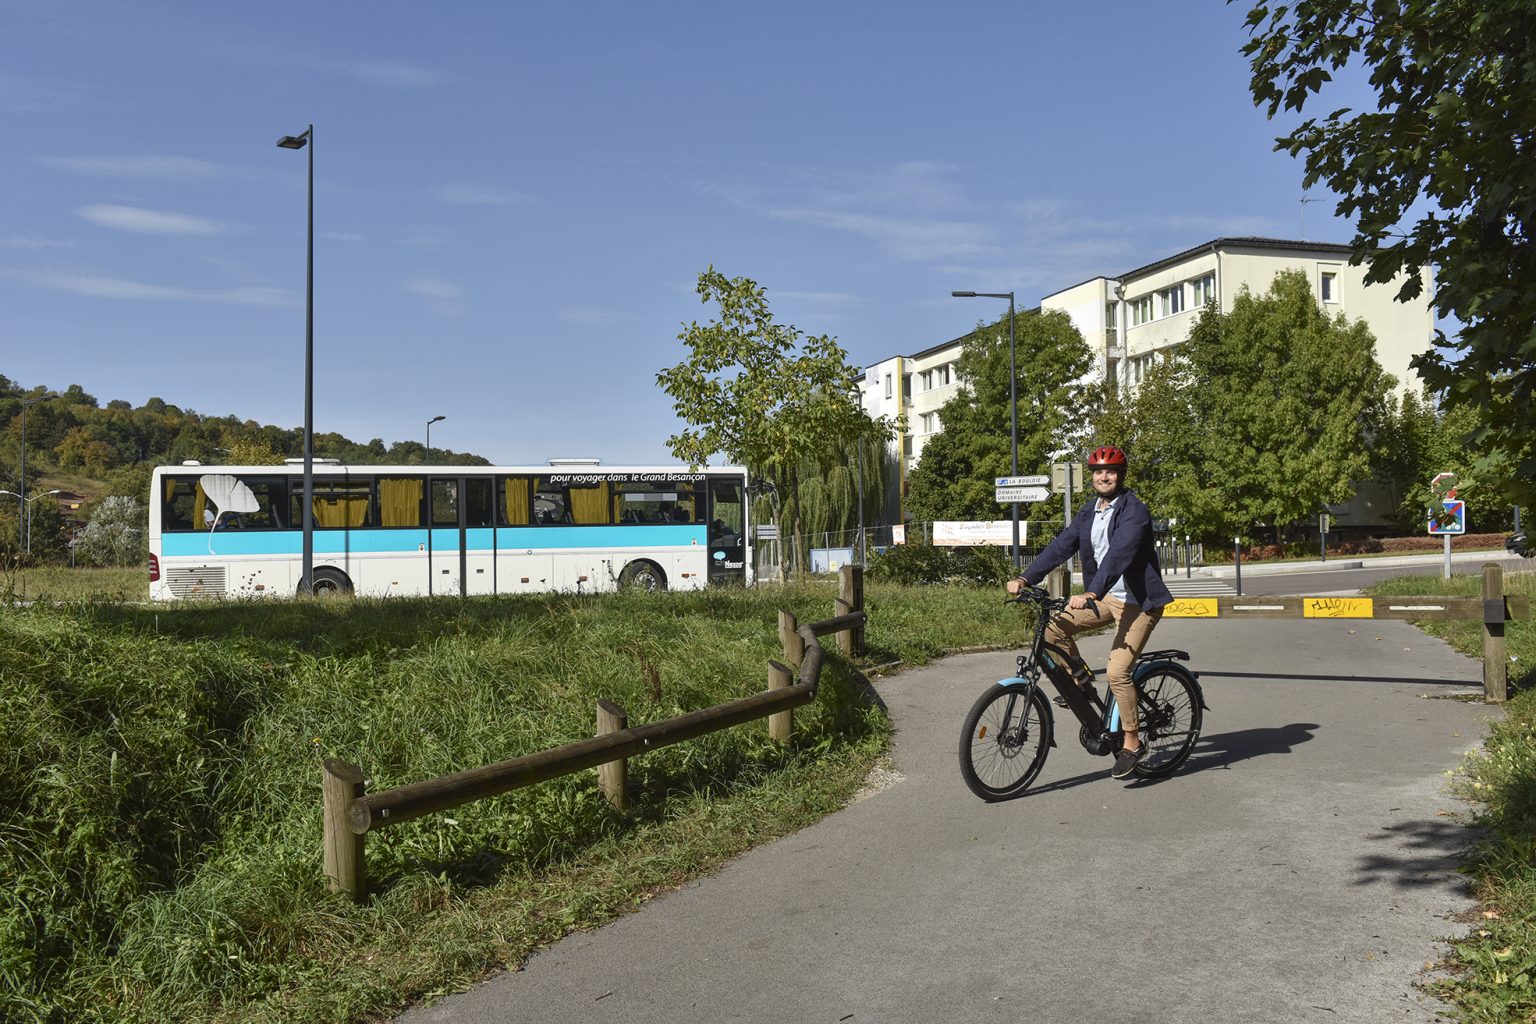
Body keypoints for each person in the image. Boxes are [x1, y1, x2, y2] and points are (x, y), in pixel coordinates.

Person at [1006, 445, 1172, 780]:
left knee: (1117, 672)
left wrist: (1093, 591)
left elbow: (1121, 553)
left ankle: (1131, 742)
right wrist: (1027, 576)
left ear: (1120, 475)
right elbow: (1061, 545)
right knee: (1053, 629)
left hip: (1138, 602)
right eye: (1098, 471)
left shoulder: (1134, 511)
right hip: (1109, 598)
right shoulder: (1089, 511)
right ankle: (1080, 684)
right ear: (1092, 476)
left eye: (1110, 471)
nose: (1103, 476)